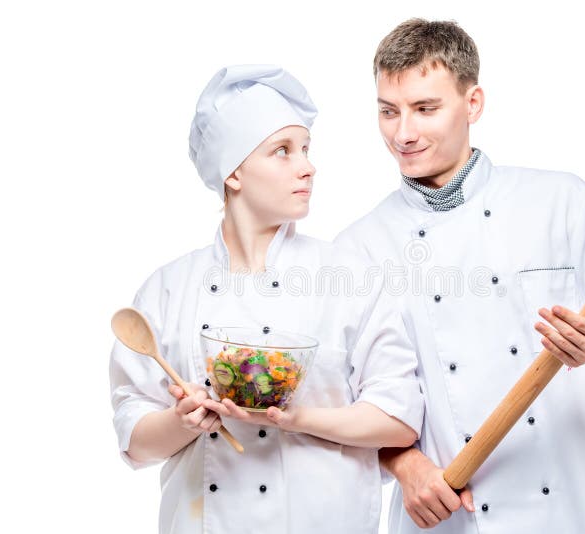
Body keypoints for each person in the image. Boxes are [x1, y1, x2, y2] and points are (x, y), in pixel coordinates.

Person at [335, 19, 585, 533]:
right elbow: (345, 403)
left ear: (472, 103)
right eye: (388, 111)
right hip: (452, 515)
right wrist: (404, 464)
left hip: (568, 511)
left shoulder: (562, 202)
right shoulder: (357, 249)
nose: (403, 133)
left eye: (425, 109)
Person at [109, 64, 424, 534]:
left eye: (306, 149)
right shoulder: (168, 289)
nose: (307, 166)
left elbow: (399, 418)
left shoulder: (348, 277)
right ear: (233, 173)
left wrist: (296, 418)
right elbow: (134, 439)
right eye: (283, 151)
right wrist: (182, 422)